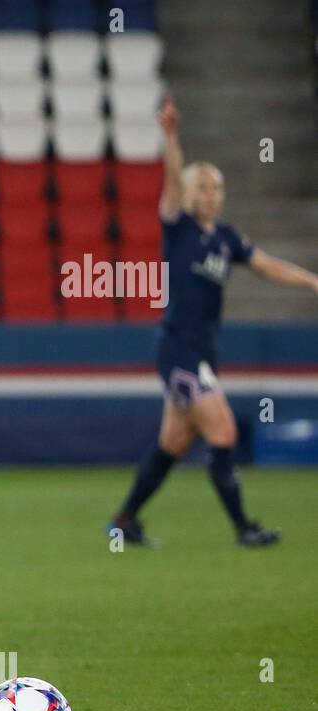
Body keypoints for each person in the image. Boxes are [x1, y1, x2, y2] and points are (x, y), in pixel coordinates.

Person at [108, 95, 318, 547]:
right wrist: (170, 137)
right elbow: (170, 180)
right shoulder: (178, 226)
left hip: (201, 350)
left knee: (175, 442)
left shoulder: (225, 238)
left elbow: (267, 265)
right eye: (201, 188)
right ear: (186, 194)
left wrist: (312, 282)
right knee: (222, 429)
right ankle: (244, 529)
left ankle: (124, 520)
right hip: (179, 349)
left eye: (215, 188)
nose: (209, 195)